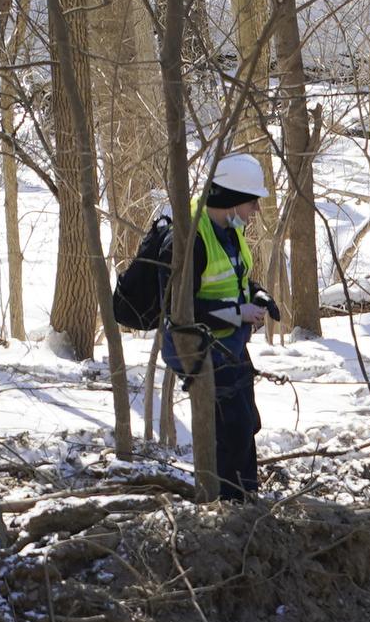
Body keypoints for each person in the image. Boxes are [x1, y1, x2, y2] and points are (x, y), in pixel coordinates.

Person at [110, 153, 280, 500]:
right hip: (197, 347)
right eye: (252, 202)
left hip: (227, 342)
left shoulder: (228, 232)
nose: (256, 211)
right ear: (231, 199)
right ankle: (227, 504)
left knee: (246, 422)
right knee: (230, 426)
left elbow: (234, 279)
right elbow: (179, 311)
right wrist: (238, 312)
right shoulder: (187, 240)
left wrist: (256, 294)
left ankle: (245, 498)